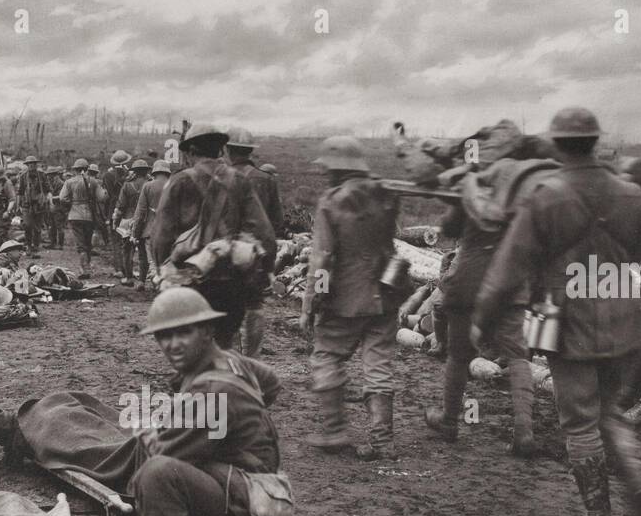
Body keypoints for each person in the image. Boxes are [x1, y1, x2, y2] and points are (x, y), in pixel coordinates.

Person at [473, 108, 641, 516]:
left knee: (579, 422)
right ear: (596, 141)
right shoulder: (632, 194)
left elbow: (508, 264)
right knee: (609, 410)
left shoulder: (545, 196)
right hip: (625, 320)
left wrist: (482, 315)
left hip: (570, 324)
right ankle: (640, 482)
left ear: (556, 144)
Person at [122, 288, 290, 516]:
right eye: (164, 335)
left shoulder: (210, 391)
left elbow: (163, 454)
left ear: (208, 331)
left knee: (156, 475)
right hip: (254, 495)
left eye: (183, 332)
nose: (171, 344)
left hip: (244, 508)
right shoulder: (232, 362)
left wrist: (154, 433)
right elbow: (273, 383)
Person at [423, 155, 561, 457]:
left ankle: (449, 421)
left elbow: (449, 226)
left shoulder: (475, 197)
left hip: (469, 285)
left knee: (459, 357)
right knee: (518, 357)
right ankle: (524, 431)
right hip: (511, 289)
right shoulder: (528, 208)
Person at [300, 136, 402, 460]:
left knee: (326, 355)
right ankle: (382, 440)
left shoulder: (331, 202)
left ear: (337, 168)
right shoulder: (386, 196)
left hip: (346, 295)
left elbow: (323, 259)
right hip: (387, 291)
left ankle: (333, 429)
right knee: (379, 363)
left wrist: (310, 303)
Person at [150, 123, 276, 347]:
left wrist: (164, 269)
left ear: (190, 152)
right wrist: (263, 269)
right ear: (220, 150)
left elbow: (161, 234)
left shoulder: (179, 180)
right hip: (231, 279)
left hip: (189, 279)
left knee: (190, 342)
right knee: (225, 340)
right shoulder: (239, 181)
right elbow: (263, 232)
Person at [225, 135, 282, 358]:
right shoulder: (267, 180)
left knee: (228, 305)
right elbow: (276, 221)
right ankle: (253, 359)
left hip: (227, 252)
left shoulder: (221, 178)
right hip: (257, 252)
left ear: (229, 150)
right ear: (250, 152)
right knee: (255, 305)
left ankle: (231, 358)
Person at [131, 159, 171, 291]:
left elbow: (140, 212)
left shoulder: (148, 186)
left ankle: (150, 283)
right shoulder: (173, 185)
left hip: (151, 229)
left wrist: (135, 233)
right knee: (166, 259)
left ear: (154, 172)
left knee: (149, 259)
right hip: (170, 230)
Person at [112, 158, 151, 287]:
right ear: (146, 171)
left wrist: (115, 222)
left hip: (128, 221)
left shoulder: (127, 185)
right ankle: (142, 280)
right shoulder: (150, 184)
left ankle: (129, 277)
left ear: (134, 171)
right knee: (143, 252)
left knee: (127, 250)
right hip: (146, 221)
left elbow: (120, 206)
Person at [59, 158, 101, 271]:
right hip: (89, 215)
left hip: (75, 214)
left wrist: (71, 202)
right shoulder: (93, 181)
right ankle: (87, 264)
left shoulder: (69, 182)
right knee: (88, 242)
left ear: (75, 169)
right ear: (87, 169)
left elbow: (62, 198)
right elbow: (102, 197)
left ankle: (85, 268)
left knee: (81, 243)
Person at [16, 156, 50, 256]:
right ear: (27, 165)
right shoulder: (23, 176)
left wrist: (46, 200)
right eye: (30, 164)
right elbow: (20, 192)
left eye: (34, 164)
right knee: (27, 225)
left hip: (39, 205)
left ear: (36, 164)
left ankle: (36, 246)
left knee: (38, 227)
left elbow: (48, 189)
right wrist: (18, 205)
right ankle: (29, 246)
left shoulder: (42, 175)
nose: (32, 166)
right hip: (27, 205)